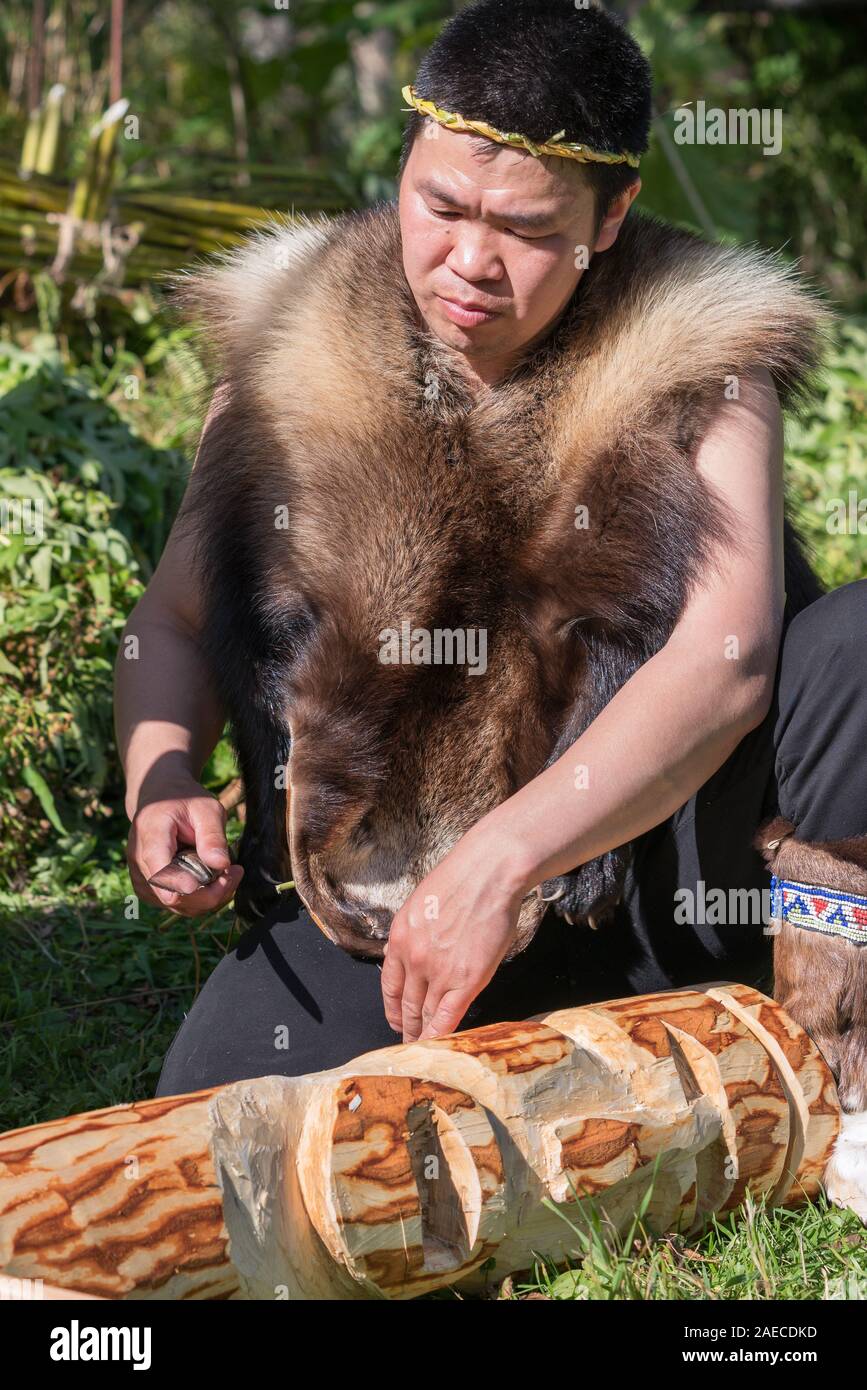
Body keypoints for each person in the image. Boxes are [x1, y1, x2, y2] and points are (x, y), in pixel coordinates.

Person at [114, 0, 867, 1214]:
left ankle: (835, 1040)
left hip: (668, 864)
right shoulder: (292, 329)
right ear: (404, 167)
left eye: (525, 230)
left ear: (610, 218)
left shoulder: (701, 339)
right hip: (389, 887)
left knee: (858, 645)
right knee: (220, 1118)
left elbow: (728, 661)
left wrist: (506, 855)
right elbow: (175, 621)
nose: (471, 262)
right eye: (442, 207)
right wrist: (158, 775)